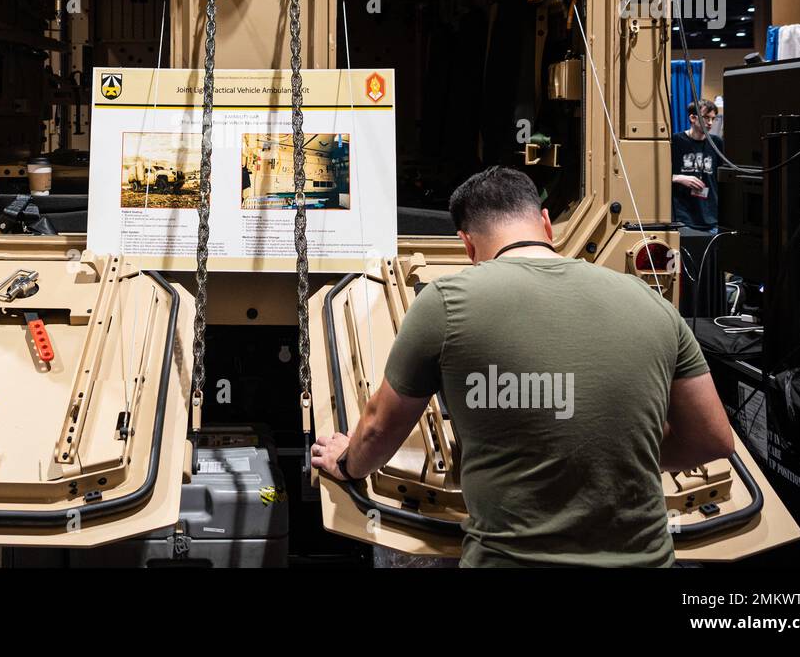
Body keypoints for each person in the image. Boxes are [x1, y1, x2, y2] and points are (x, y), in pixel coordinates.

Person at [310, 166, 734, 567]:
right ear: (547, 224)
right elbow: (714, 439)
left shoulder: (445, 301)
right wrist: (613, 449)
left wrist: (346, 463)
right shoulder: (652, 304)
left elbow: (379, 428)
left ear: (467, 244)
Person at [672, 99, 724, 232]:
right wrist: (678, 178)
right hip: (683, 218)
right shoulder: (676, 141)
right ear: (693, 117)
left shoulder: (716, 143)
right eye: (706, 118)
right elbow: (658, 176)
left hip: (712, 217)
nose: (710, 123)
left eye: (713, 119)